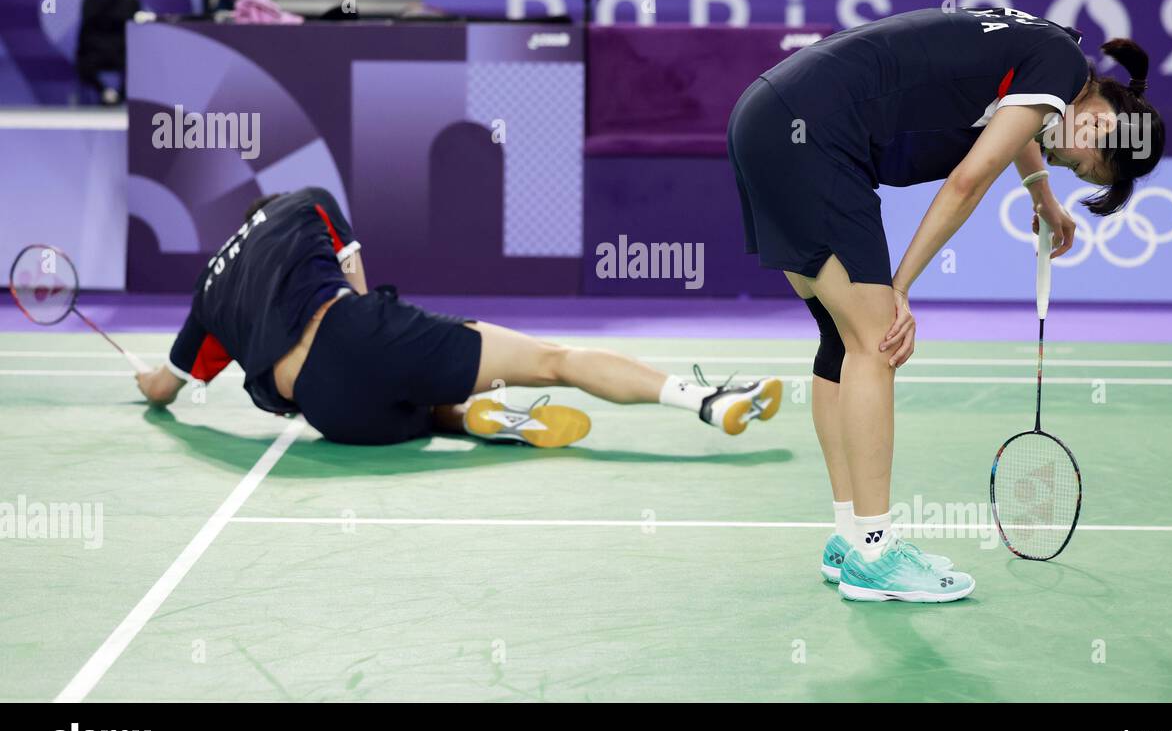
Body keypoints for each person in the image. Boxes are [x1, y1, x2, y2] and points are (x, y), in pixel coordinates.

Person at [726, 7, 1165, 602]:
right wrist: (899, 289)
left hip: (770, 114)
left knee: (842, 338)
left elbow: (1016, 121)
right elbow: (967, 180)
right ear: (1100, 123)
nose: (1061, 159)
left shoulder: (1057, 53)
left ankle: (852, 537)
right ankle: (877, 555)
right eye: (1077, 161)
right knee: (879, 342)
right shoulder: (1060, 69)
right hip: (817, 132)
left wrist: (1042, 194)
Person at [134, 188, 782, 448]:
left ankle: (470, 416)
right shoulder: (304, 201)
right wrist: (383, 326)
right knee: (550, 360)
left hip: (326, 411)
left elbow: (167, 389)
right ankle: (705, 399)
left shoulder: (209, 288)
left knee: (418, 407)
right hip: (354, 331)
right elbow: (354, 277)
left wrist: (143, 381)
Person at [76, 0, 141, 104]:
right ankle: (117, 94)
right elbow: (137, 35)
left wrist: (82, 53)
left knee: (82, 65)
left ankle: (105, 92)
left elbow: (84, 31)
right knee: (138, 64)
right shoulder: (131, 1)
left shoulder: (89, 0)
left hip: (94, 55)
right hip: (121, 55)